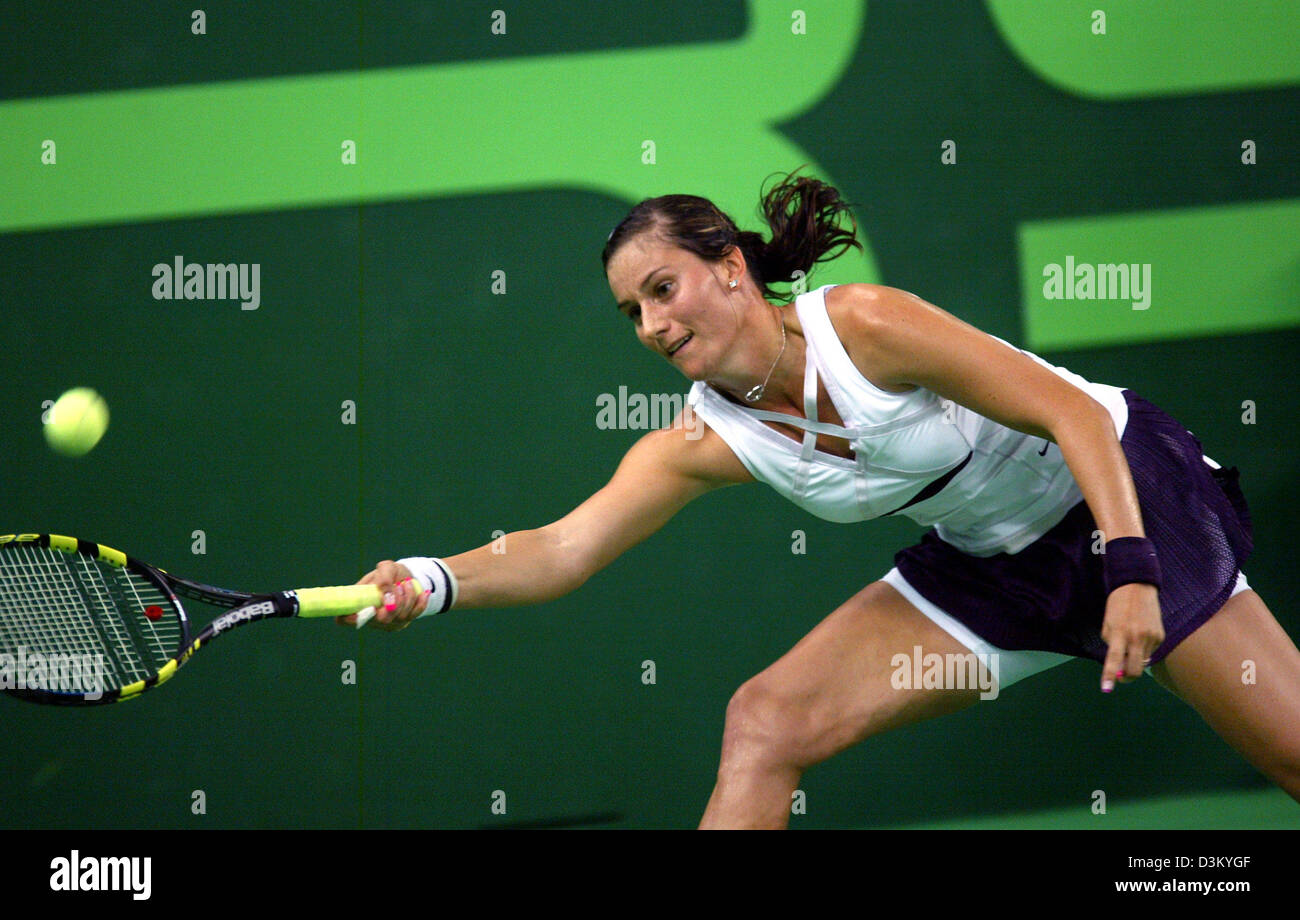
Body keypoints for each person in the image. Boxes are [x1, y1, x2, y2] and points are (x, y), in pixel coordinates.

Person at [345, 169, 1300, 829]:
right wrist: (431, 581)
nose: (651, 323)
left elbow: (1070, 416)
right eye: (632, 311)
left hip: (1122, 501)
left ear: (730, 266)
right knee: (766, 722)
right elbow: (562, 550)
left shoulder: (866, 325)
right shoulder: (698, 443)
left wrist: (1131, 573)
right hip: (985, 565)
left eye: (663, 288)